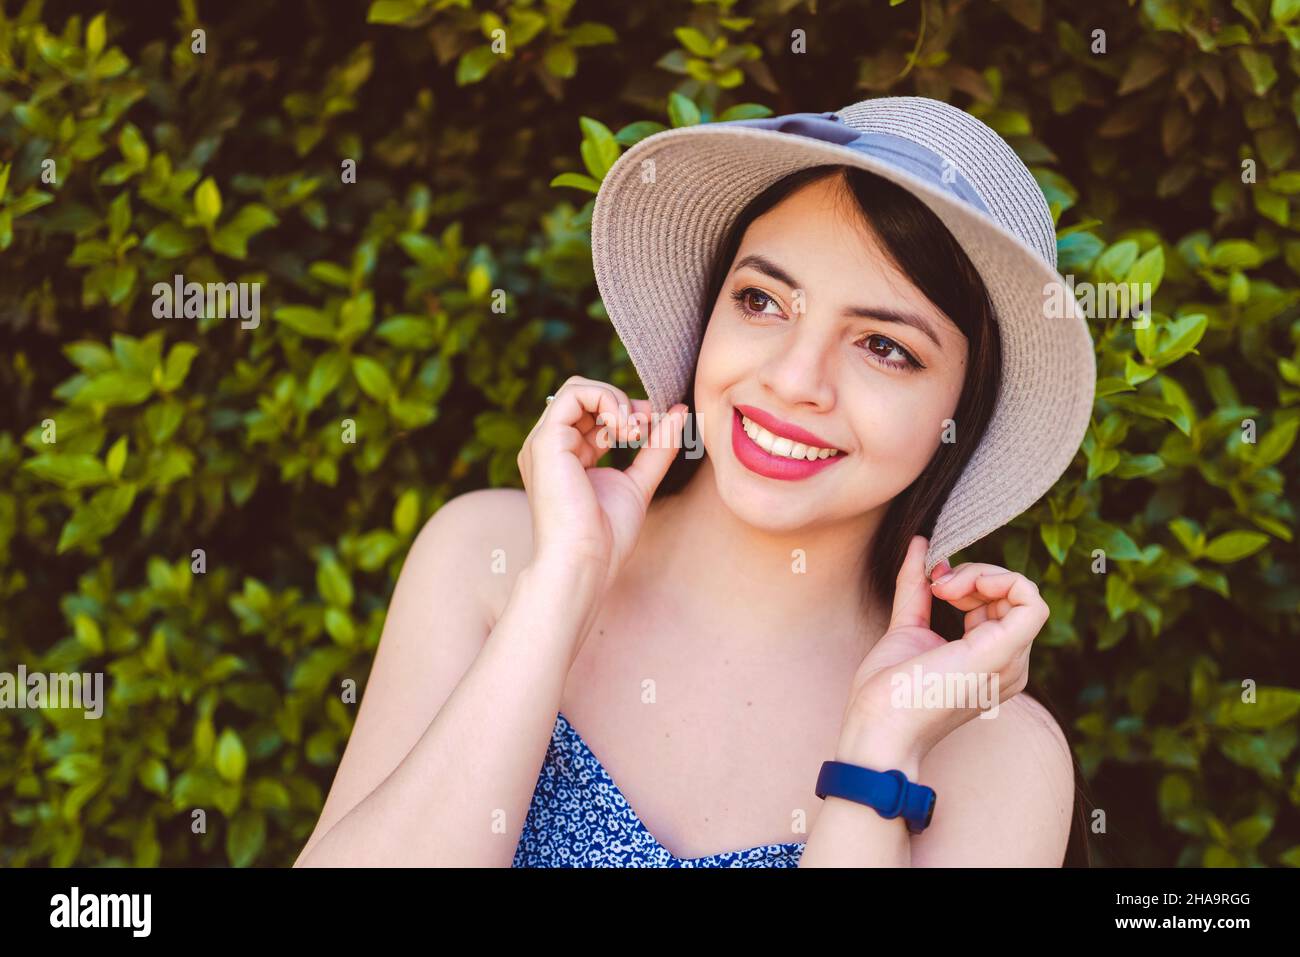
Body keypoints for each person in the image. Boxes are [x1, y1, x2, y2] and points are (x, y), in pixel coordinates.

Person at [294, 96, 1097, 867]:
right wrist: (559, 590)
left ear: (965, 411)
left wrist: (881, 748)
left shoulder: (993, 749)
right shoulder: (486, 559)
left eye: (885, 347)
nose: (793, 378)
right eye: (762, 300)